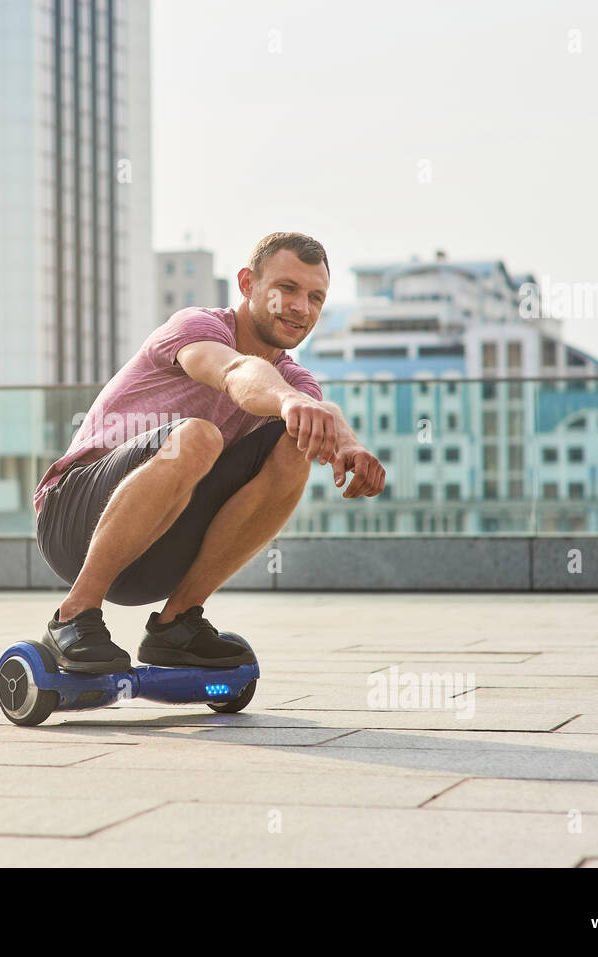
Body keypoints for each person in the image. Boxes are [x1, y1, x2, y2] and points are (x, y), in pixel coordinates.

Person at [32, 232, 385, 674]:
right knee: (198, 436)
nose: (301, 307)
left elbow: (321, 408)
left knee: (295, 442)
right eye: (288, 289)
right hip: (72, 517)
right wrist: (288, 401)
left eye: (316, 297)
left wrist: (348, 443)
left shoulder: (292, 378)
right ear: (247, 283)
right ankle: (73, 616)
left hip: (160, 542)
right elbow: (236, 371)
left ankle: (176, 625)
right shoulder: (198, 328)